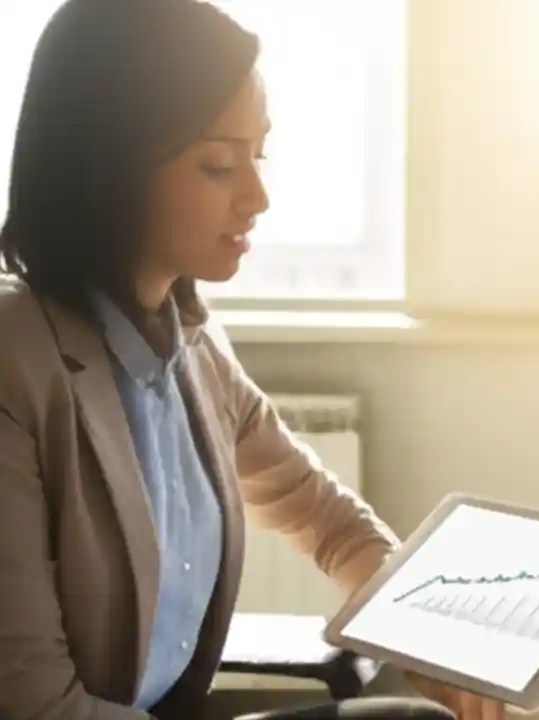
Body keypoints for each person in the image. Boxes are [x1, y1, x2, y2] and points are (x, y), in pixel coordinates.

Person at [0, 1, 503, 718]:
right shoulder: (15, 363)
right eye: (218, 164)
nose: (258, 197)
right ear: (108, 164)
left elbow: (332, 525)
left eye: (256, 156)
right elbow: (32, 706)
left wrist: (424, 639)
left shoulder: (195, 351)